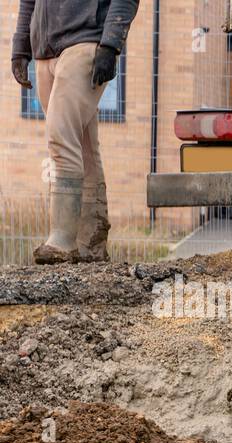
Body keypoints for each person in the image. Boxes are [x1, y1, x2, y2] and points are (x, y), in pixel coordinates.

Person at [11, 0, 138, 264]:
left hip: (85, 41)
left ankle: (62, 239)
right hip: (45, 50)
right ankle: (91, 245)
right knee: (83, 145)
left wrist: (111, 44)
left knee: (61, 136)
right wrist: (20, 46)